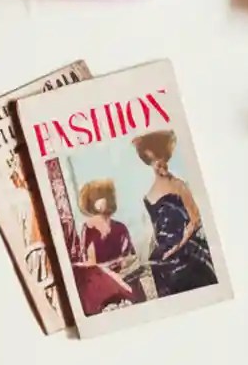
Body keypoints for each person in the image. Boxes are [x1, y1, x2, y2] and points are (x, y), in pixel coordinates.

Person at [134, 131, 218, 297]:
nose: (159, 163)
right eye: (154, 160)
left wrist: (177, 247)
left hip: (188, 252)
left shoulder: (179, 185)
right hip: (163, 258)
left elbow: (195, 219)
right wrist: (154, 256)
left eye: (161, 158)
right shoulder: (148, 196)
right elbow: (156, 230)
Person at [71, 179, 141, 315]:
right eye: (98, 197)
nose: (103, 200)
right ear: (90, 202)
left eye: (105, 196)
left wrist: (121, 265)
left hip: (124, 279)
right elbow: (90, 261)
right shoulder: (88, 228)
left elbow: (129, 257)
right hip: (102, 283)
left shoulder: (120, 227)